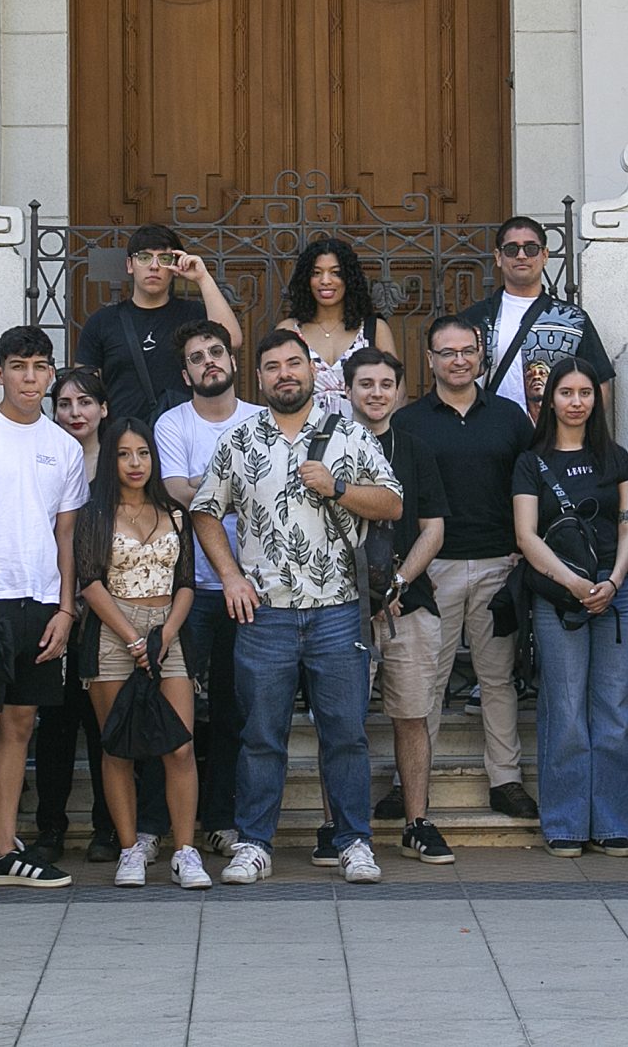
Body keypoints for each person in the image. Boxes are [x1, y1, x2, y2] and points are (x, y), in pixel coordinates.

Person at [194, 329, 403, 885]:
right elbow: (205, 510)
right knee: (261, 734)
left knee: (346, 733)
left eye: (294, 363)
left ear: (312, 369)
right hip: (265, 613)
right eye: (272, 366)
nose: (284, 373)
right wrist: (230, 577)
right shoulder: (240, 440)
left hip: (337, 607)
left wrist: (337, 488)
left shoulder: (350, 435)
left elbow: (392, 501)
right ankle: (254, 844)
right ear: (257, 376)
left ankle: (354, 841)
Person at [0, 326, 90, 904]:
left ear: (52, 374)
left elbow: (66, 535)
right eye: (19, 366)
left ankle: (4, 849)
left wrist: (66, 607)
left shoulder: (66, 447)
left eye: (40, 366)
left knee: (20, 726)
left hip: (42, 605)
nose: (31, 377)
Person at [397, 314, 539, 823]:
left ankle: (506, 779)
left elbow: (531, 485)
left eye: (467, 351)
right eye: (447, 352)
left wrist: (527, 550)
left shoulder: (510, 417)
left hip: (500, 563)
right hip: (433, 569)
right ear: (430, 359)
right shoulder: (409, 422)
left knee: (498, 679)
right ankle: (410, 783)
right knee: (426, 680)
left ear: (481, 356)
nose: (459, 361)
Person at [74, 418, 210, 889]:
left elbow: (187, 582)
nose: (135, 464)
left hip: (168, 630)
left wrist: (167, 632)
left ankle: (185, 851)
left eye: (143, 453)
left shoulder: (174, 511)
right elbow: (88, 580)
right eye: (124, 454)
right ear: (111, 460)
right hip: (113, 630)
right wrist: (130, 635)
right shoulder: (95, 512)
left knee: (181, 744)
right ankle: (130, 850)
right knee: (118, 746)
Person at [515, 356, 628, 859]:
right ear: (551, 401)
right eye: (565, 393)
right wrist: (572, 582)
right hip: (558, 593)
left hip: (619, 593)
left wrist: (611, 580)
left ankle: (611, 822)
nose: (575, 402)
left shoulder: (616, 457)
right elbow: (525, 534)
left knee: (616, 709)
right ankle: (566, 822)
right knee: (565, 710)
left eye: (584, 393)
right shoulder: (532, 461)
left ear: (597, 399)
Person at [152, 320, 262, 851]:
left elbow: (202, 491)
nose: (209, 362)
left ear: (233, 360)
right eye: (197, 357)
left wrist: (208, 488)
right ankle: (161, 827)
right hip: (188, 590)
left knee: (234, 712)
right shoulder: (173, 424)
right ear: (186, 371)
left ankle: (223, 821)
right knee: (175, 713)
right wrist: (237, 486)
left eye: (216, 352)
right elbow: (175, 489)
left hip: (255, 591)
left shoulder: (262, 420)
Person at [344, 348, 452, 863]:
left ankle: (416, 822)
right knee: (342, 721)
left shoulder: (418, 449)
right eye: (366, 384)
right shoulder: (328, 450)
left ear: (400, 391)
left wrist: (399, 584)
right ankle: (339, 828)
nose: (376, 393)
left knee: (412, 716)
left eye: (386, 384)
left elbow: (433, 527)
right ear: (347, 391)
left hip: (408, 605)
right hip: (341, 610)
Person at [33, 367, 140, 863]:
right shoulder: (44, 457)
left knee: (105, 727)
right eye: (65, 404)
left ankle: (106, 828)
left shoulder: (118, 464)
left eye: (84, 403)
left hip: (107, 613)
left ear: (103, 409)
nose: (75, 413)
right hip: (55, 609)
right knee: (55, 728)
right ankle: (50, 829)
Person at [75, 227, 244, 423]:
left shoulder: (192, 315)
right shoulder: (102, 322)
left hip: (182, 435)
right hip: (122, 438)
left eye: (164, 259)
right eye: (144, 258)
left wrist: (202, 278)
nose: (154, 266)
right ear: (130, 265)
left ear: (175, 266)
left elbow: (231, 340)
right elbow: (84, 388)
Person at [459, 215, 612, 418]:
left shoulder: (573, 319)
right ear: (498, 257)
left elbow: (599, 381)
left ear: (545, 255)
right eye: (512, 249)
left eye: (531, 248)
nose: (521, 255)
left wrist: (580, 434)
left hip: (553, 438)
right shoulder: (474, 319)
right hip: (490, 436)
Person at [276, 236, 398, 415]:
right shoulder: (289, 330)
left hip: (364, 436)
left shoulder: (375, 329)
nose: (325, 280)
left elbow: (396, 390)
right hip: (303, 437)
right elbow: (275, 388)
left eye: (335, 272)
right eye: (316, 273)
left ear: (349, 278)